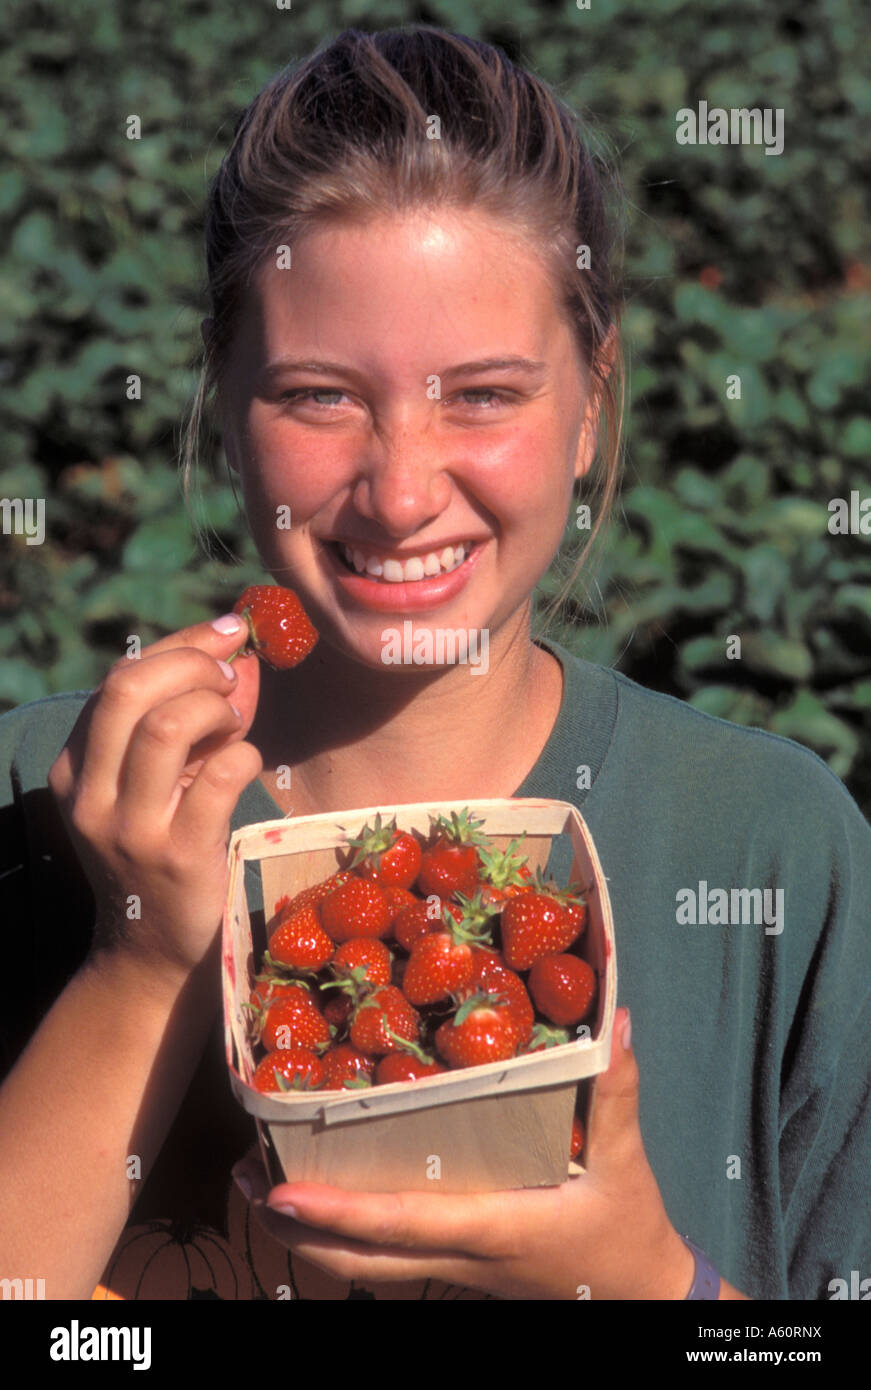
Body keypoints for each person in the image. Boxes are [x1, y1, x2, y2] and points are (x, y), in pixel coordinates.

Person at [1, 25, 869, 1303]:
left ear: (591, 407)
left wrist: (642, 1280)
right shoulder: (32, 801)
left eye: (482, 394)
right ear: (225, 406)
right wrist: (134, 969)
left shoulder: (768, 851)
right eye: (317, 395)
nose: (401, 491)